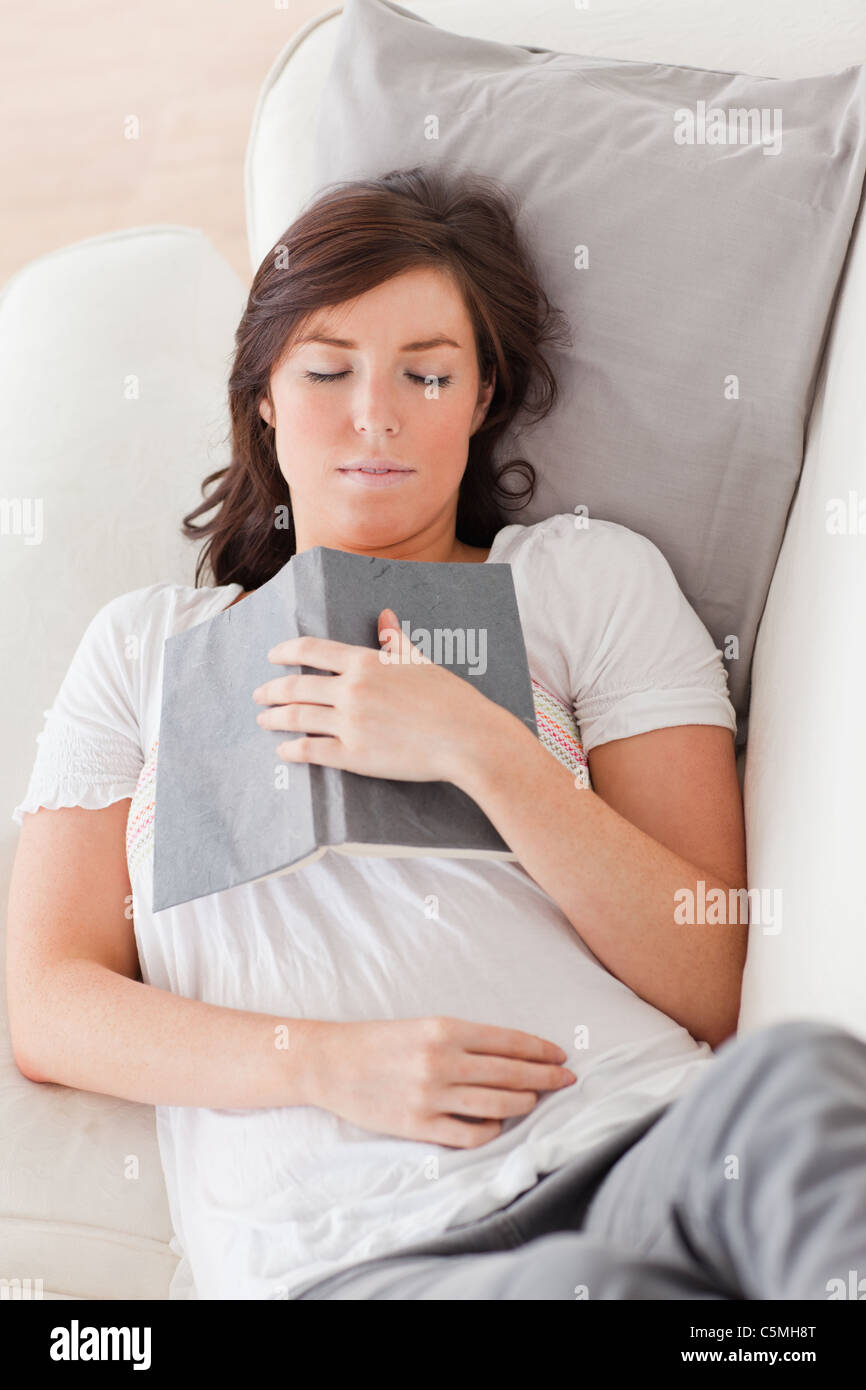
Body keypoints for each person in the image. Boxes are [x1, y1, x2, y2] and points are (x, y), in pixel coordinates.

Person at [7, 166, 864, 1302]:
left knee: (805, 1088)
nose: (375, 414)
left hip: (640, 1135)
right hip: (357, 1245)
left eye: (426, 372)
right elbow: (50, 1003)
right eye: (326, 369)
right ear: (263, 392)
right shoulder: (144, 651)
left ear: (479, 394)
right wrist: (321, 1063)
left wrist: (482, 748)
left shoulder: (581, 579)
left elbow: (708, 971)